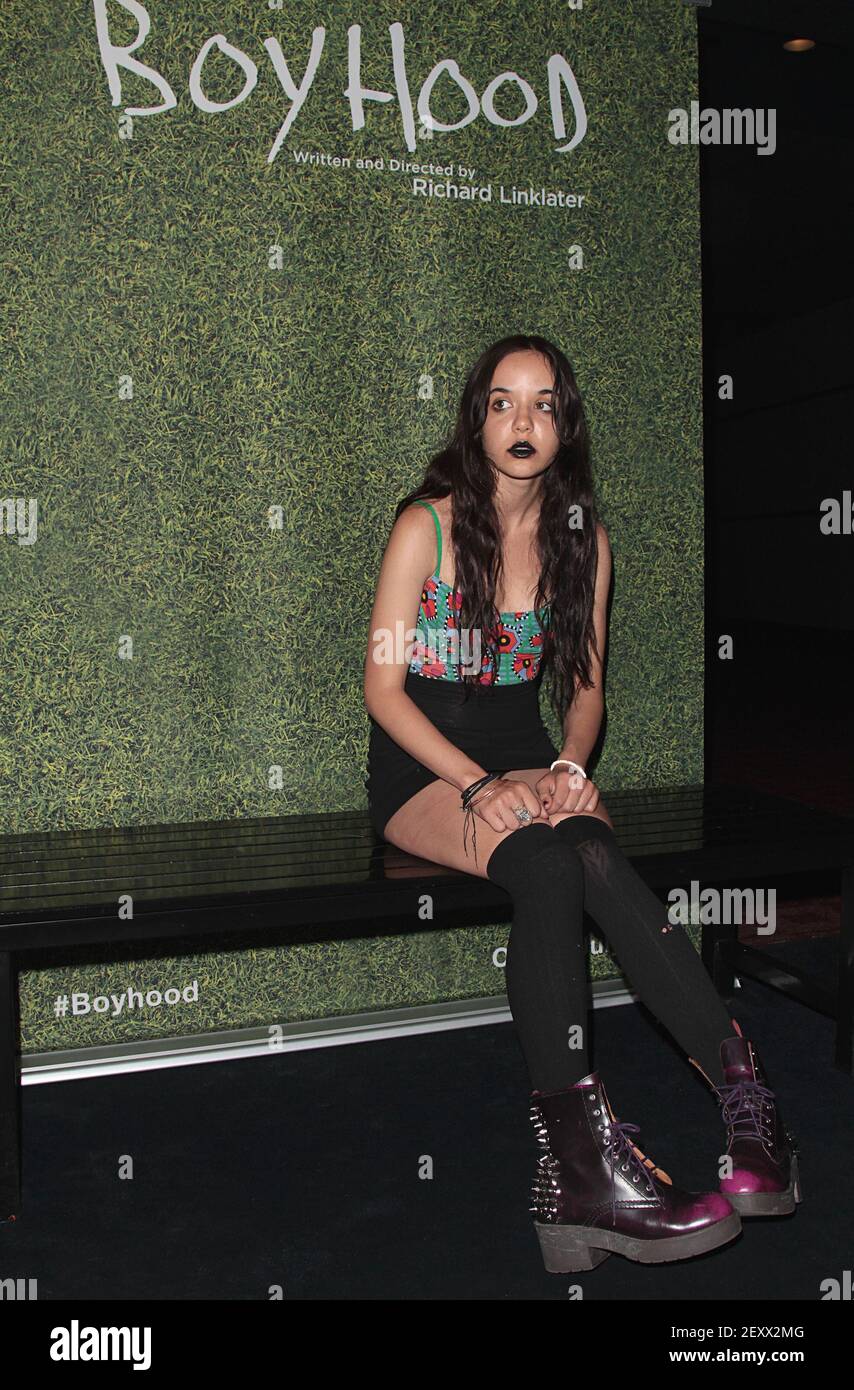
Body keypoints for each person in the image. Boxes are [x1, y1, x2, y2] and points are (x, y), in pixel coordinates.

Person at [362, 334, 800, 1274]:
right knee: (547, 864)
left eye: (544, 404)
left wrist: (565, 764)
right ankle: (579, 1169)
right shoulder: (425, 528)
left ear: (566, 425)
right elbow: (383, 692)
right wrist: (480, 785)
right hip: (426, 768)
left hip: (527, 751)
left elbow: (588, 688)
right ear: (476, 417)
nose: (523, 423)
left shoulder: (582, 539)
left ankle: (745, 1100)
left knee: (595, 854)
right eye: (503, 403)